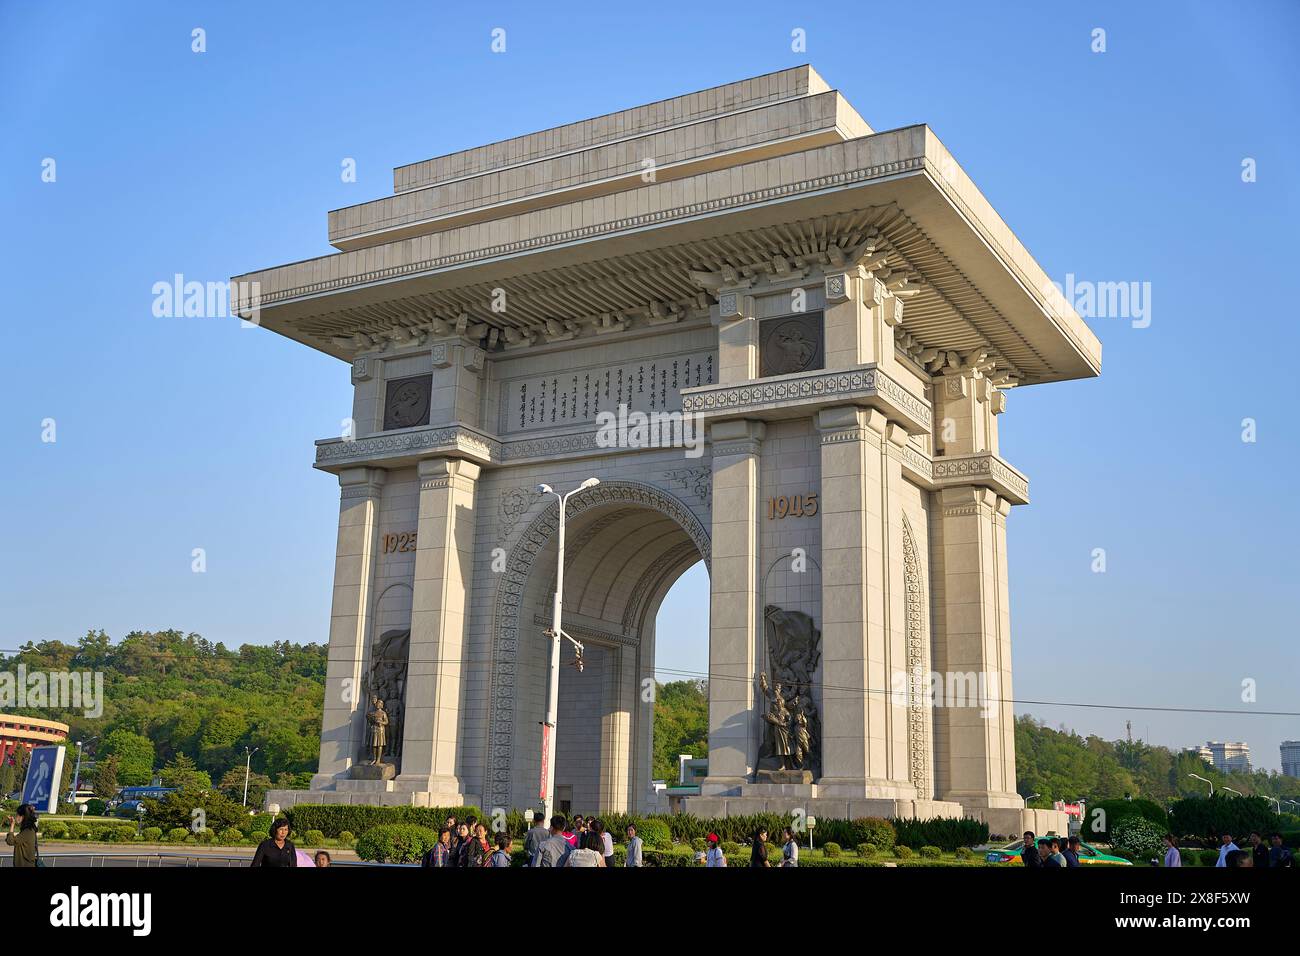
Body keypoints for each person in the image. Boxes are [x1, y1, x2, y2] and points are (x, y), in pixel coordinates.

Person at [5, 803, 39, 868]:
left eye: (17, 814)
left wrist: (12, 824)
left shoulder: (28, 831)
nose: (15, 816)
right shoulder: (28, 830)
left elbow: (10, 841)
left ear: (22, 816)